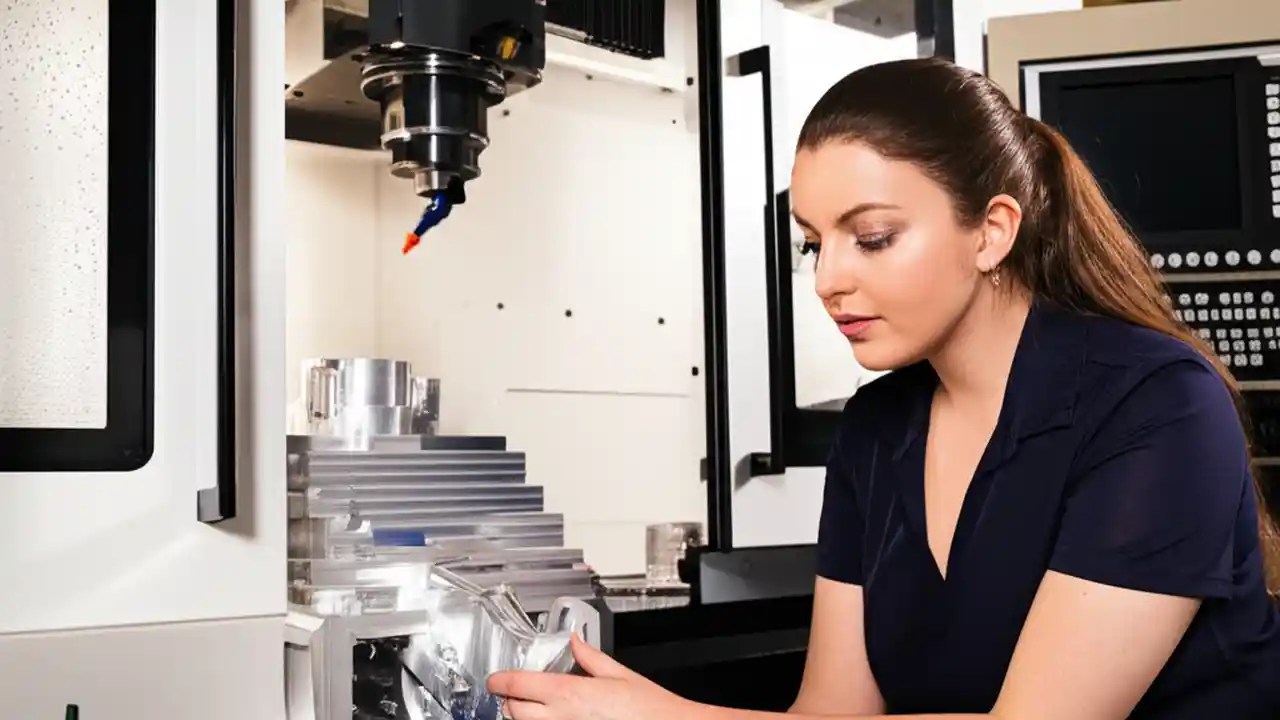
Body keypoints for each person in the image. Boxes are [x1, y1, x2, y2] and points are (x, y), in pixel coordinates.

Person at [486, 57, 1280, 719]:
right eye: (812, 244)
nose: (830, 279)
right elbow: (833, 717)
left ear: (992, 230)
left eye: (872, 238)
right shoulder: (876, 429)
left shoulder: (1158, 406)